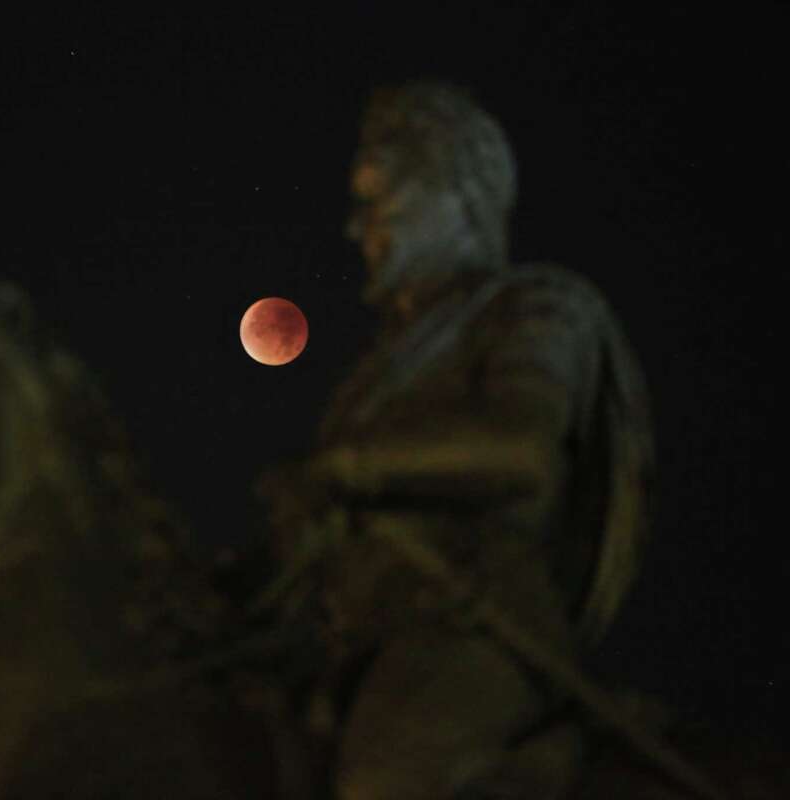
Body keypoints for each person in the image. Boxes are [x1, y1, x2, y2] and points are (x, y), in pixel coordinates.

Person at [257, 82, 654, 799]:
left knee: (387, 784)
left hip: (467, 625)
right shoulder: (374, 373)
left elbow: (521, 452)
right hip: (341, 648)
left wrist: (347, 467)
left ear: (460, 188)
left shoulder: (535, 306)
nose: (359, 228)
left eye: (379, 195)